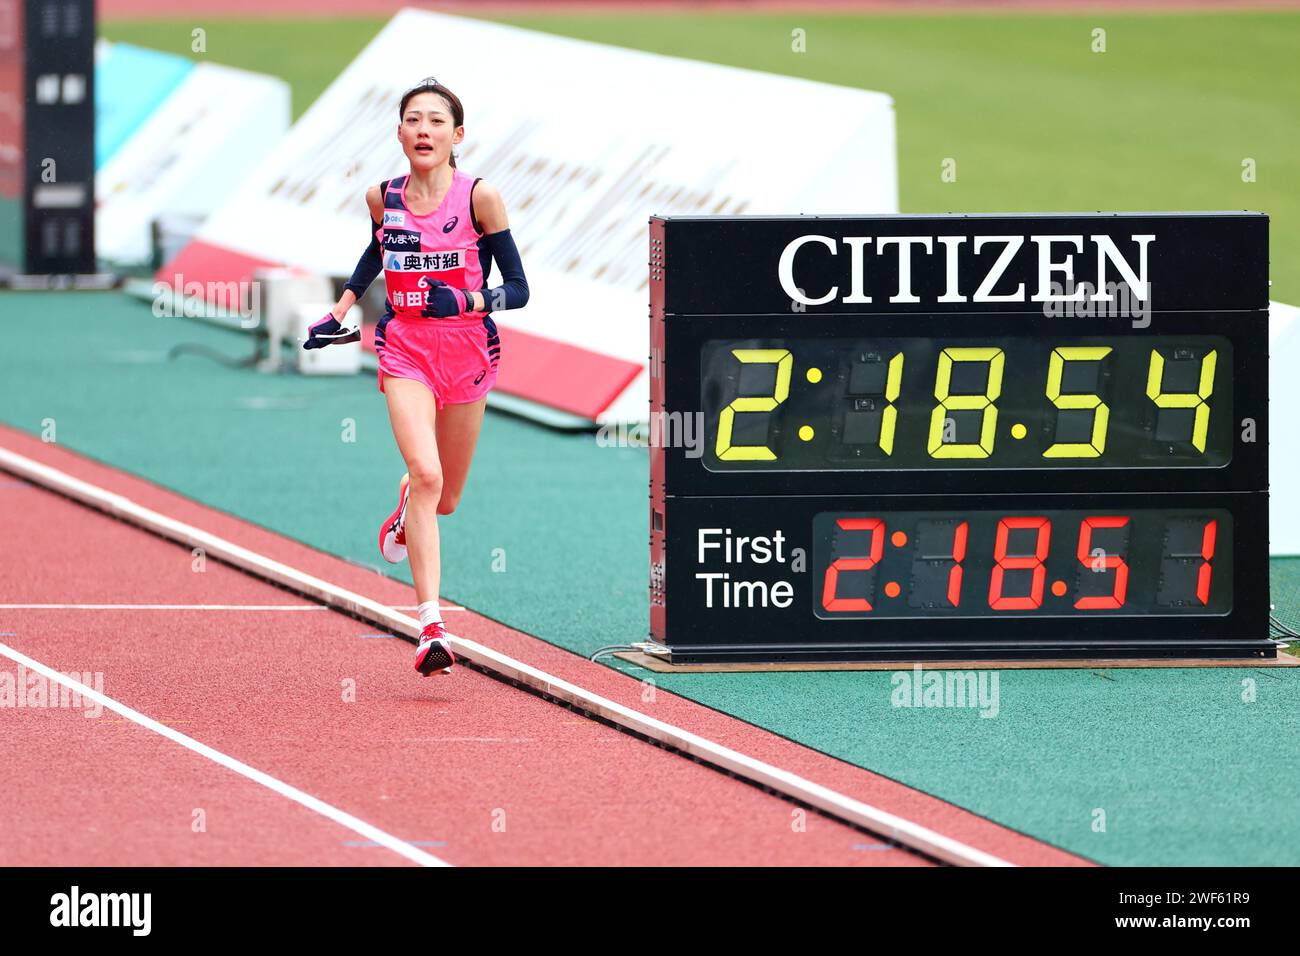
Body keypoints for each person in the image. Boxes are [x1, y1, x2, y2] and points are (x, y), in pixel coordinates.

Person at [305, 77, 530, 676]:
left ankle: (409, 507)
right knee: (427, 472)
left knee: (445, 498)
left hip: (467, 351)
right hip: (403, 348)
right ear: (399, 132)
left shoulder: (480, 197)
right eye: (413, 120)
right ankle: (431, 624)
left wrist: (460, 304)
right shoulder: (383, 196)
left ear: (456, 136)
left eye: (435, 121)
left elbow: (520, 290)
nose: (423, 130)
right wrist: (342, 308)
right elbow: (378, 252)